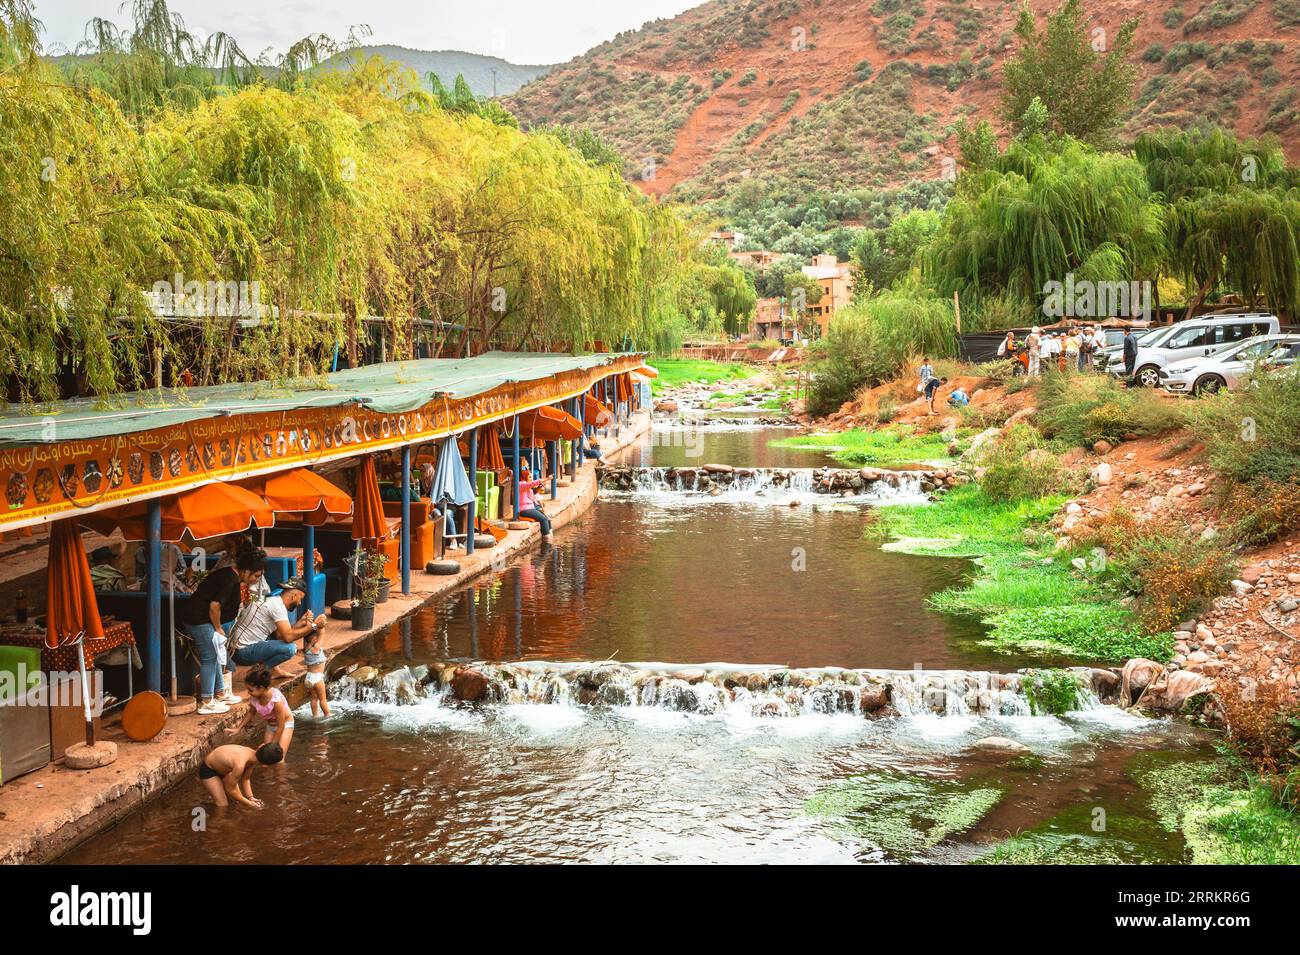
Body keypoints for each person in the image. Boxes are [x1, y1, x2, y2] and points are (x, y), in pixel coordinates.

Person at [182, 547, 265, 715]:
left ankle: (220, 693)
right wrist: (218, 627)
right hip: (198, 620)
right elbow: (214, 606)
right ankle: (207, 701)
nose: (256, 580)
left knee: (217, 654)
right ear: (246, 571)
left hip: (205, 620)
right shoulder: (229, 579)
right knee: (210, 657)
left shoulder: (233, 577)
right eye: (256, 576)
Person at [228, 576, 324, 679]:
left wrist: (300, 623)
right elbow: (288, 637)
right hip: (242, 652)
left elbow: (279, 636)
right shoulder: (278, 607)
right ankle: (257, 672)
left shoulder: (274, 601)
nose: (300, 603)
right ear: (294, 596)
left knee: (278, 639)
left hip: (236, 650)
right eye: (300, 599)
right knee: (290, 648)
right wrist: (314, 625)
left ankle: (275, 671)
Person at [198, 741, 282, 808]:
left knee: (236, 801)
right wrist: (249, 803)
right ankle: (217, 822)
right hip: (209, 769)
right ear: (265, 765)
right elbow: (230, 789)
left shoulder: (252, 756)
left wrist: (251, 797)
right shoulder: (240, 765)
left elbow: (246, 779)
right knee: (223, 805)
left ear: (261, 746)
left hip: (225, 770)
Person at [243, 663, 296, 755]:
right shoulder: (254, 698)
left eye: (251, 690)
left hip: (285, 725)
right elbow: (251, 713)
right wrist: (238, 728)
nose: (248, 693)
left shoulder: (276, 701)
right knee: (266, 756)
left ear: (261, 688)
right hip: (270, 726)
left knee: (279, 757)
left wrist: (272, 746)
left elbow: (281, 726)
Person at [302, 625, 330, 719]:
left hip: (308, 678)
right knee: (323, 699)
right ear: (315, 639)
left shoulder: (306, 649)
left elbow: (306, 636)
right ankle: (327, 714)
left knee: (314, 698)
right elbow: (322, 633)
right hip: (317, 678)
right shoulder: (316, 648)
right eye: (317, 638)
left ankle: (315, 715)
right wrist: (321, 626)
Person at [516, 466, 552, 538]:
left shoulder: (525, 485)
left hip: (531, 507)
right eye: (529, 476)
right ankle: (547, 539)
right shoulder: (521, 484)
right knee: (544, 520)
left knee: (547, 518)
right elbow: (533, 483)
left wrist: (540, 508)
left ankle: (551, 536)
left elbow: (533, 498)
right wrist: (547, 479)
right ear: (524, 477)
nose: (531, 478)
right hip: (525, 509)